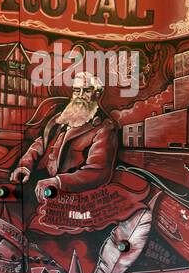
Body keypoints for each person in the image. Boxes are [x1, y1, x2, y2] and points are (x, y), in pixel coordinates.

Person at [11, 71, 120, 200]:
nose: (80, 96)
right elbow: (40, 143)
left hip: (68, 192)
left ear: (97, 94)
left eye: (86, 91)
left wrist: (58, 182)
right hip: (38, 179)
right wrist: (25, 166)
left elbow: (98, 172)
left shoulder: (104, 127)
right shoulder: (61, 117)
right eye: (76, 90)